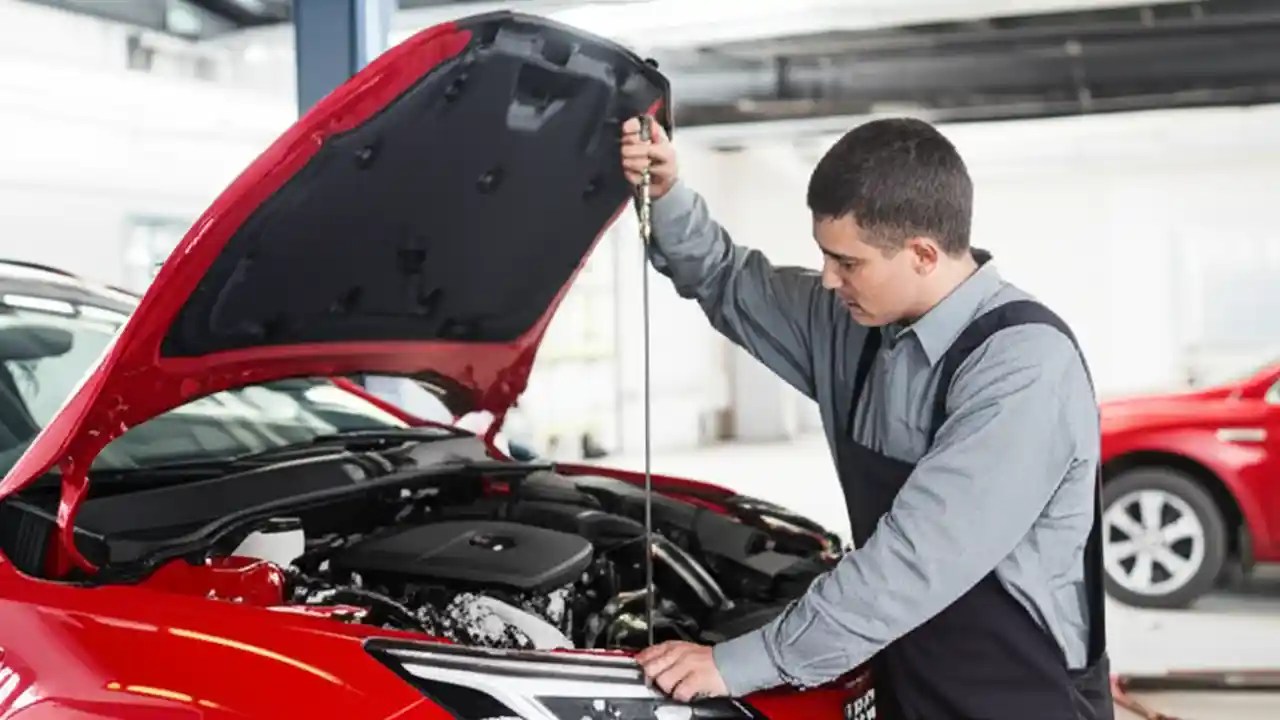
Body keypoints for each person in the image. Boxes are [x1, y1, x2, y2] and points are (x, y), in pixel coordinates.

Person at [621, 116, 1113, 719]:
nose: (830, 280)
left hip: (1017, 698)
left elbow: (913, 561)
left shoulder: (1023, 368)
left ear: (923, 254)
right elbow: (726, 280)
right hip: (904, 672)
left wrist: (734, 664)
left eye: (847, 263)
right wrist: (667, 195)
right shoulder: (852, 324)